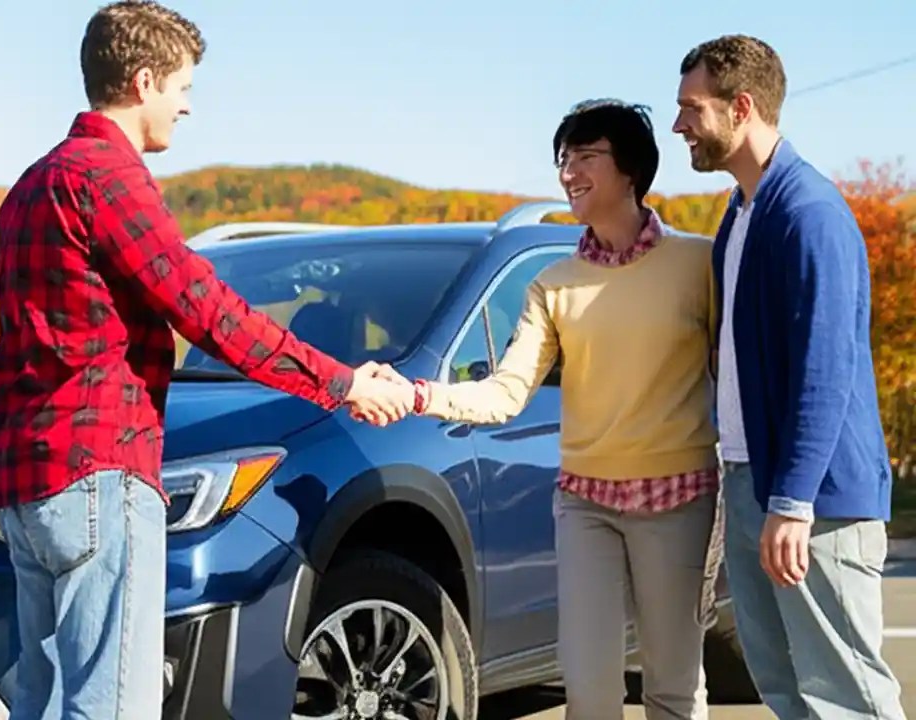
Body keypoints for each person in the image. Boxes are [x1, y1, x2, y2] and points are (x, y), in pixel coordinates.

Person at [0, 2, 412, 717]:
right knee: (110, 707)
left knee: (41, 698)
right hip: (99, 471)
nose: (187, 108)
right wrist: (339, 382)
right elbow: (207, 310)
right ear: (145, 80)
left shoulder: (29, 187)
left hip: (26, 484)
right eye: (183, 89)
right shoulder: (108, 179)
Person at [373, 99, 722, 719]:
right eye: (563, 160)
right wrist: (418, 395)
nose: (569, 173)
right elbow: (505, 393)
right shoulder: (553, 284)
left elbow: (738, 375)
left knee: (671, 686)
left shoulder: (699, 264)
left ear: (632, 170)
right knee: (588, 691)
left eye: (586, 157)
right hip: (586, 504)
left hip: (680, 500)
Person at [673, 34, 905, 718]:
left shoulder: (809, 214)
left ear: (741, 106)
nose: (680, 124)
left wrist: (794, 502)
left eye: (692, 107)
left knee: (846, 698)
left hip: (815, 505)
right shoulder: (741, 211)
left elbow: (825, 374)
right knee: (783, 691)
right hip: (752, 484)